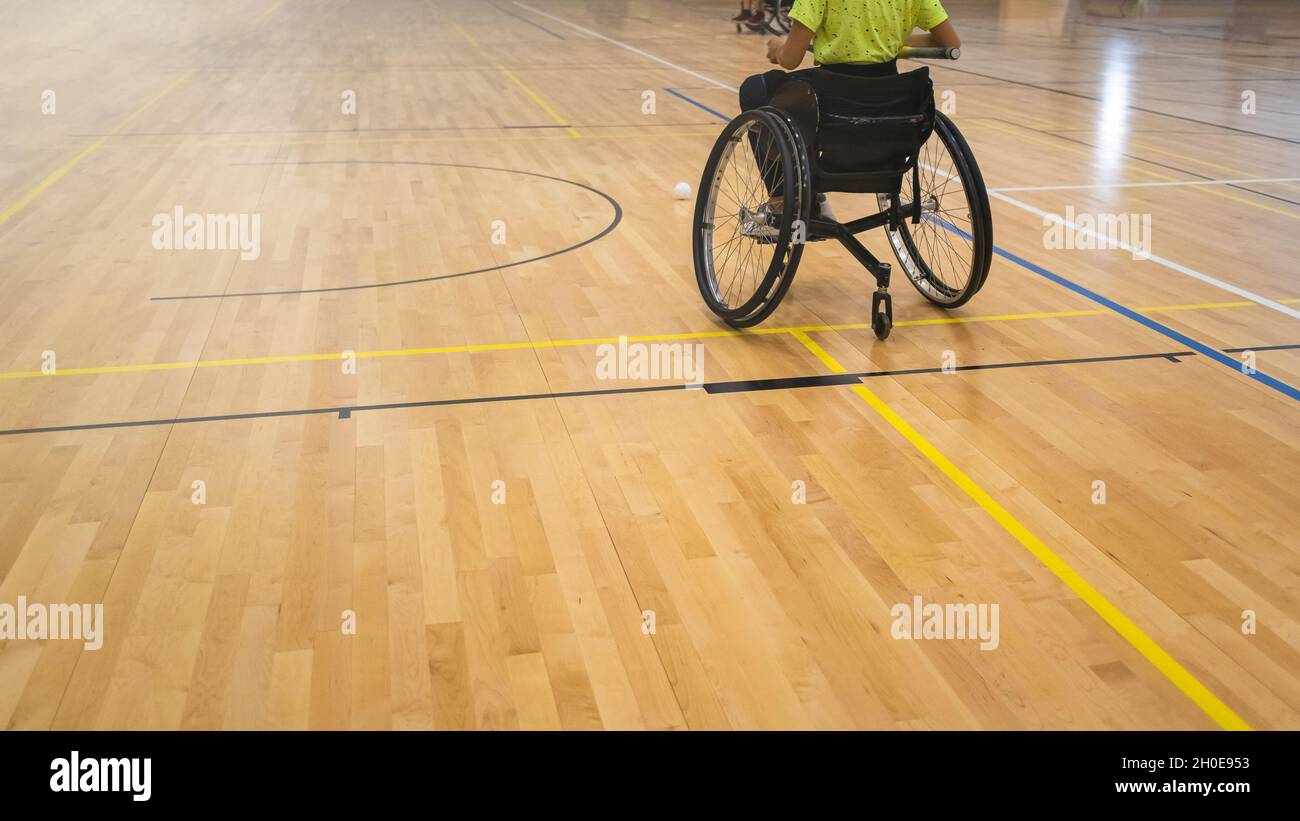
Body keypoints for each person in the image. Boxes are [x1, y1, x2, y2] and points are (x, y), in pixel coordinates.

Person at [737, 0, 960, 228]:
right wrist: (883, 37)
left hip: (834, 108)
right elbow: (951, 43)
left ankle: (784, 200)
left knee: (754, 90)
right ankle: (809, 197)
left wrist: (778, 47)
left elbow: (790, 60)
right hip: (889, 107)